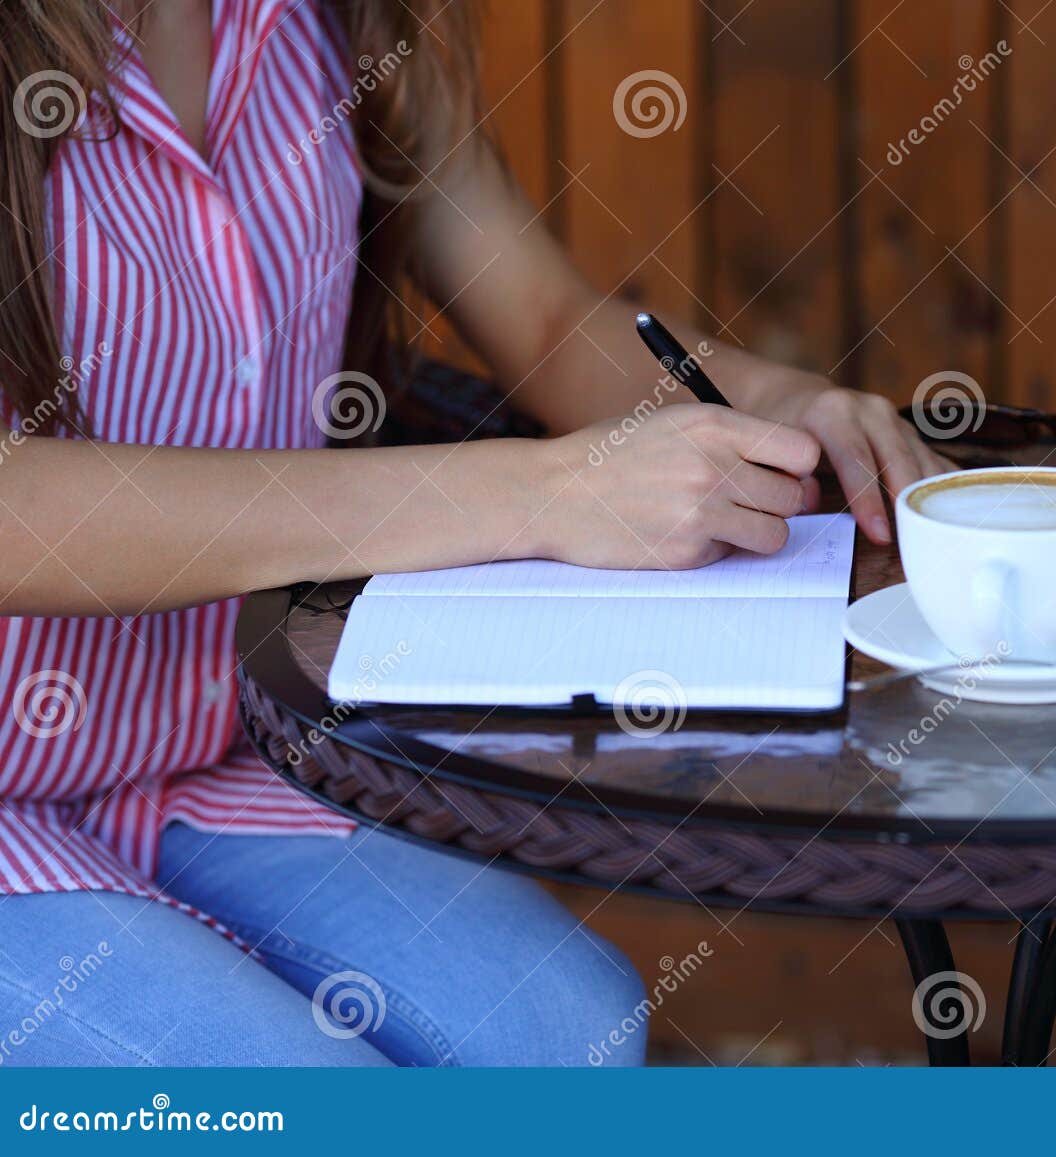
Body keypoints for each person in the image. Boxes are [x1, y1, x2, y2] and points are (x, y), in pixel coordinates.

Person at [0, 0, 946, 1066]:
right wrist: (538, 491)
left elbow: (543, 314)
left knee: (570, 1034)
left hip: (222, 746)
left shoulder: (344, 28)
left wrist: (773, 396)